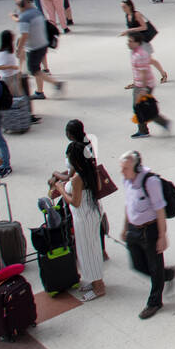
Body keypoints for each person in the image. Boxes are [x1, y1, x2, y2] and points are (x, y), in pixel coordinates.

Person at [118, 149, 175, 319]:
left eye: (125, 168)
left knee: (154, 266)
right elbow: (128, 205)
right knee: (137, 264)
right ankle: (167, 274)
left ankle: (154, 302)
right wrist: (125, 228)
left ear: (136, 168)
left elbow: (160, 210)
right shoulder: (126, 180)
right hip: (133, 228)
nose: (122, 172)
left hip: (150, 230)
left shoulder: (151, 182)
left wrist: (162, 236)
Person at [50, 120, 106, 298]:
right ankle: (93, 281)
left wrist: (60, 189)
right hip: (91, 212)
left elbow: (74, 201)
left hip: (84, 216)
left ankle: (99, 286)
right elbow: (97, 188)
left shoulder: (77, 179)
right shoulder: (90, 171)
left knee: (89, 251)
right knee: (89, 248)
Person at [13, 0, 62, 100]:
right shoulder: (36, 12)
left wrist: (18, 49)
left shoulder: (24, 18)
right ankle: (39, 92)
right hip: (42, 44)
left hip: (33, 47)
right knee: (37, 69)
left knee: (34, 70)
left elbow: (24, 35)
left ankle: (56, 83)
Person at [126, 34, 169, 138]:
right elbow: (150, 63)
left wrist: (143, 89)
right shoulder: (137, 52)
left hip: (143, 86)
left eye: (131, 41)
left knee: (141, 107)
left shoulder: (139, 55)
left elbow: (143, 73)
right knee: (141, 107)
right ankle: (146, 128)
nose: (128, 43)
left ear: (137, 43)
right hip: (141, 84)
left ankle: (146, 129)